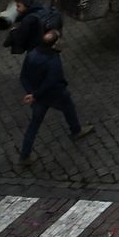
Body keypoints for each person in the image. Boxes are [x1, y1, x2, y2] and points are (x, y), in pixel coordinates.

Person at [18, 28, 90, 165]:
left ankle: (24, 155)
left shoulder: (31, 54)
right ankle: (76, 130)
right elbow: (51, 81)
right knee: (69, 108)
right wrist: (35, 95)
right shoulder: (53, 60)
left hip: (37, 98)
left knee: (34, 125)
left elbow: (23, 77)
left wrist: (32, 94)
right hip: (54, 94)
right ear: (54, 44)